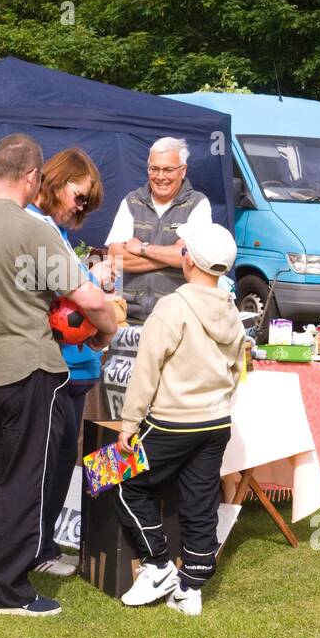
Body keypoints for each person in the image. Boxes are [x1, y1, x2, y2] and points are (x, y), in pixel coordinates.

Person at [0, 134, 118, 617]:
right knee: (27, 478)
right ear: (32, 178)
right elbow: (88, 298)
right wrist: (105, 333)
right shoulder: (31, 229)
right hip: (29, 369)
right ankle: (9, 589)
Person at [115, 222, 244, 617]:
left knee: (116, 477)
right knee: (200, 499)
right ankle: (192, 587)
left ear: (188, 259)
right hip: (216, 423)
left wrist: (128, 424)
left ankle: (157, 566)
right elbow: (238, 368)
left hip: (171, 422)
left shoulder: (173, 306)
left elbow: (146, 371)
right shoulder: (232, 309)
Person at [24, 147, 112, 577]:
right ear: (55, 183)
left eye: (86, 203)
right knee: (51, 462)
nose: (80, 208)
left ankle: (43, 544)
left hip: (76, 367)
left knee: (62, 459)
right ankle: (37, 548)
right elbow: (75, 293)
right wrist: (103, 302)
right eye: (79, 197)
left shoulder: (51, 231)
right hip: (61, 366)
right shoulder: (38, 228)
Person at [106, 137, 213, 324]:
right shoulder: (131, 202)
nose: (160, 176)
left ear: (183, 171)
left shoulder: (198, 204)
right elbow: (115, 257)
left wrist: (142, 248)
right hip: (129, 318)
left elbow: (190, 258)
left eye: (168, 169)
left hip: (177, 319)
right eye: (154, 168)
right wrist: (173, 255)